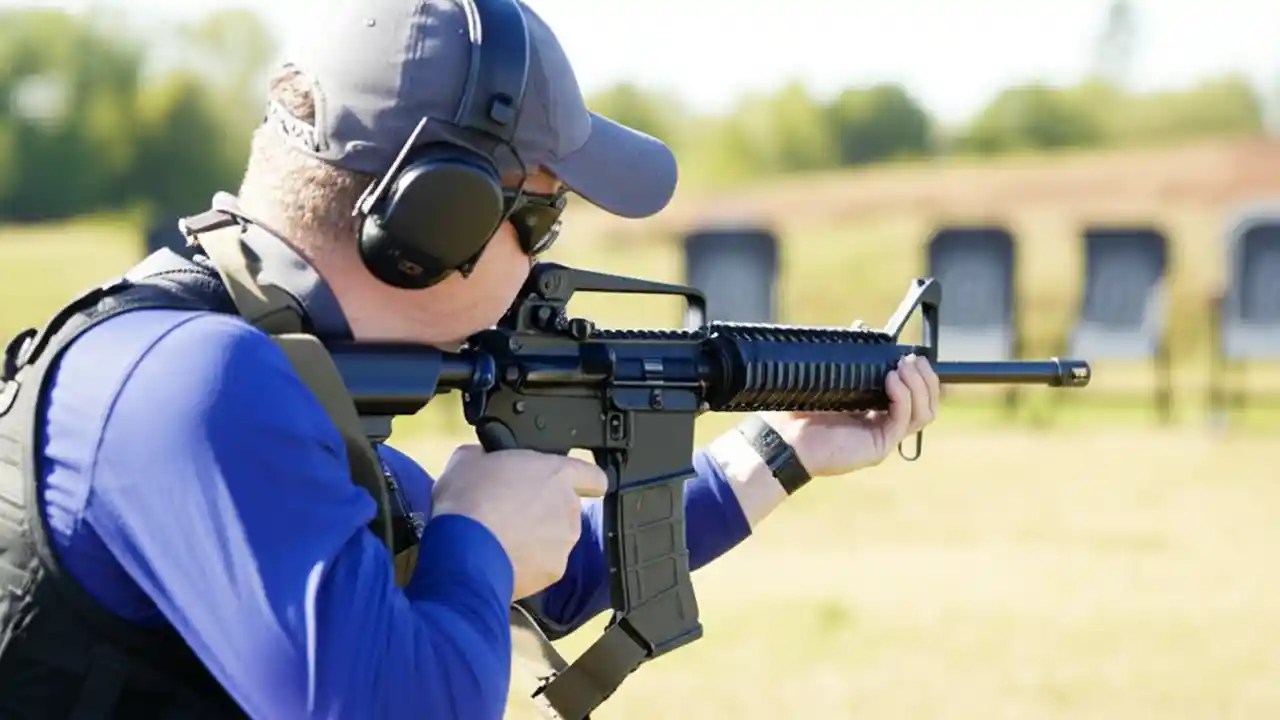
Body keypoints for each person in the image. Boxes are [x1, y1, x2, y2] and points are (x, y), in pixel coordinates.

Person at [0, 1, 940, 718]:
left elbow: (544, 574)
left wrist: (787, 445)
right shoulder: (198, 385)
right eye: (542, 214)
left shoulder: (269, 371)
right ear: (433, 217)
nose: (546, 254)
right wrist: (479, 538)